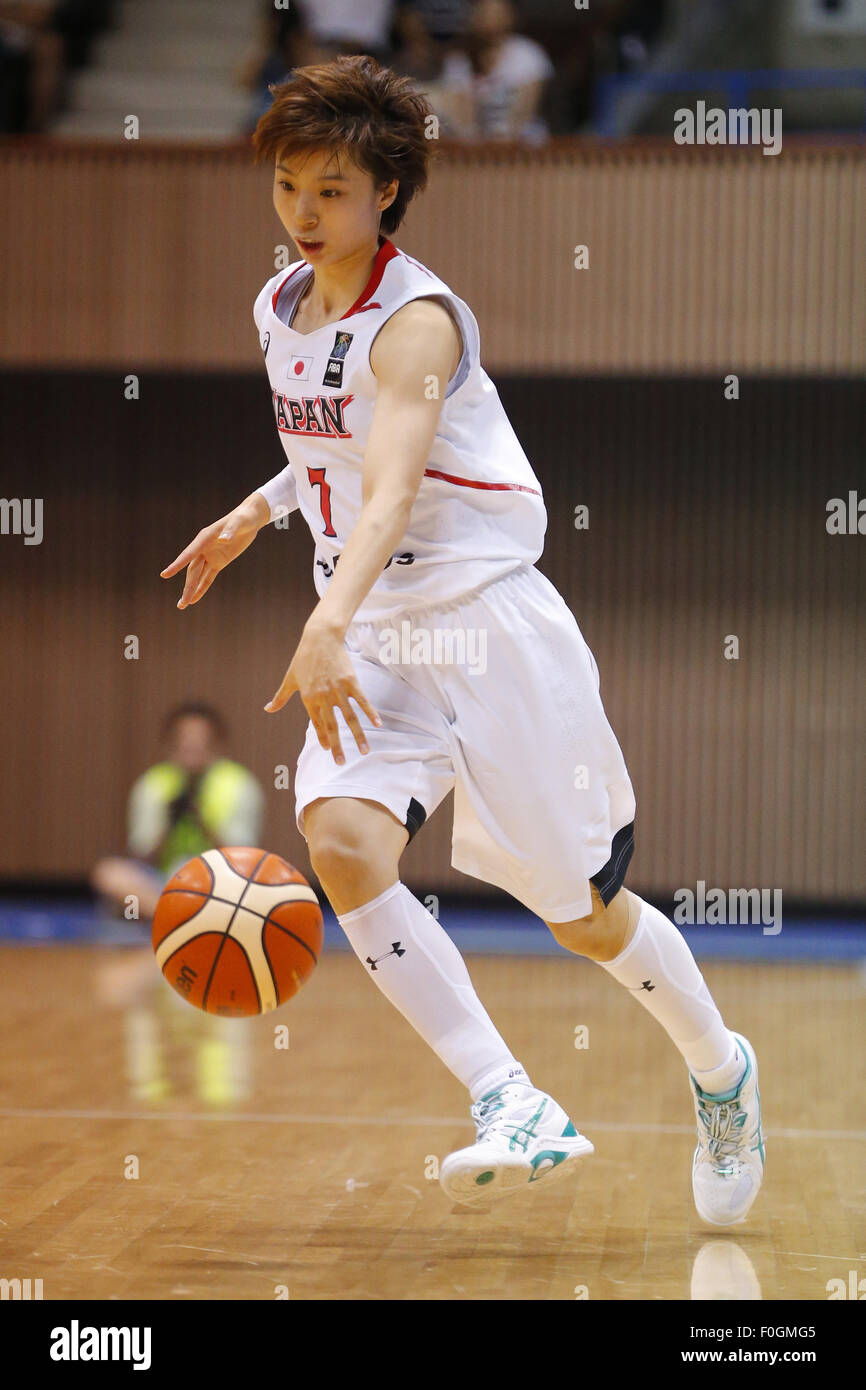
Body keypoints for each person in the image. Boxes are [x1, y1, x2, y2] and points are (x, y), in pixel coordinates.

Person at [161, 55, 764, 1222]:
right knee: (340, 841)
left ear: (386, 191)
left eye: (329, 189)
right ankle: (508, 1097)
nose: (301, 210)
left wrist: (321, 619)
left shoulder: (418, 324)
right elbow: (328, 454)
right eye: (287, 183)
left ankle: (718, 1070)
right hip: (377, 629)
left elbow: (388, 489)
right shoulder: (279, 304)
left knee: (580, 919)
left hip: (487, 633)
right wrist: (254, 512)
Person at [91, 702, 264, 923]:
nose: (193, 752)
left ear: (217, 746)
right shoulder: (153, 784)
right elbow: (142, 856)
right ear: (170, 746)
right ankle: (183, 919)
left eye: (201, 744)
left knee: (252, 884)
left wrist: (204, 824)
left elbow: (244, 859)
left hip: (218, 882)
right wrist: (168, 824)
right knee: (109, 873)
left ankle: (174, 919)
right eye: (185, 744)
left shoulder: (239, 784)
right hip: (164, 881)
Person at [435, 0, 554, 143]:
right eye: (483, 12)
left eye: (497, 12)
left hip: (523, 143)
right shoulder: (459, 59)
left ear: (511, 16)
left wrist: (503, 142)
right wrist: (473, 142)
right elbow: (460, 110)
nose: (489, 18)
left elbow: (523, 111)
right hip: (475, 145)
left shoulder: (528, 54)